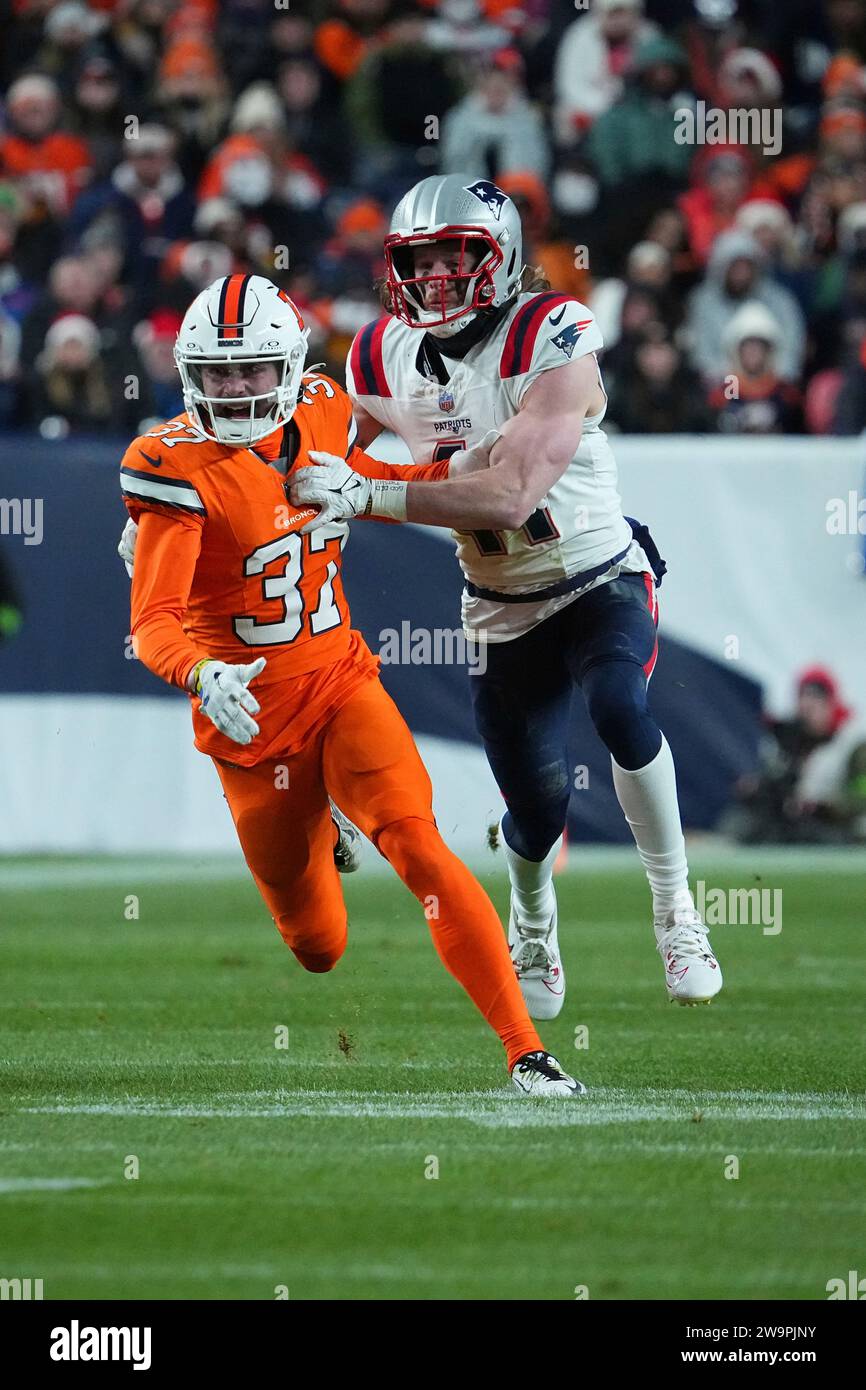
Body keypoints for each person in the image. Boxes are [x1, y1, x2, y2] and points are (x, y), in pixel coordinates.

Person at [116, 271, 582, 1099]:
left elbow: (363, 473)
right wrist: (201, 668)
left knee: (416, 841)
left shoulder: (324, 409)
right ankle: (322, 822)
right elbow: (152, 622)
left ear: (290, 366)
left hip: (338, 683)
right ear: (190, 373)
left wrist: (445, 467)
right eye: (219, 373)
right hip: (250, 723)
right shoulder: (169, 465)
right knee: (317, 946)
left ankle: (527, 1051)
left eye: (254, 369)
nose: (235, 386)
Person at [289, 175, 723, 1017]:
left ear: (502, 258)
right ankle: (533, 916)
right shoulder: (379, 354)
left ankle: (676, 908)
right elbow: (309, 457)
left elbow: (510, 495)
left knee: (621, 706)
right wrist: (193, 501)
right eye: (420, 260)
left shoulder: (551, 333)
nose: (436, 277)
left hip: (598, 574)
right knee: (536, 804)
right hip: (497, 604)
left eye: (456, 257)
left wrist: (365, 493)